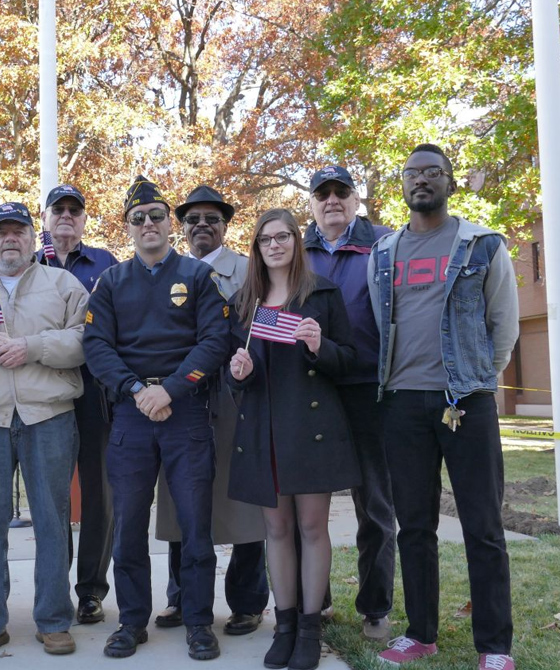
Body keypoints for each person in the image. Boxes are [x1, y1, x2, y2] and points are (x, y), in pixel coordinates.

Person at [368, 144, 518, 670]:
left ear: (451, 182)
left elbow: (504, 325)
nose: (422, 180)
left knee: (483, 526)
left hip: (466, 402)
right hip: (403, 405)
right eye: (413, 173)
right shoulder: (383, 254)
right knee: (413, 525)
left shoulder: (482, 244)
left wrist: (476, 378)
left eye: (434, 171)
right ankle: (420, 633)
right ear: (402, 184)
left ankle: (495, 646)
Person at [84, 176, 231, 661]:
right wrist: (135, 390)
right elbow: (96, 346)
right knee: (127, 525)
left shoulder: (198, 276)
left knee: (195, 526)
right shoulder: (111, 282)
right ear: (127, 228)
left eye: (156, 216)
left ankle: (197, 622)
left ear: (171, 223)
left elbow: (214, 342)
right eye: (137, 218)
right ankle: (130, 622)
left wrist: (168, 389)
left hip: (186, 411)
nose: (148, 224)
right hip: (129, 415)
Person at [0, 202, 89, 660]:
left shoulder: (64, 284)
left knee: (51, 521)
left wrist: (30, 347)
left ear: (33, 238)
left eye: (19, 231)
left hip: (47, 415)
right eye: (1, 232)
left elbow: (86, 341)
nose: (10, 239)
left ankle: (53, 621)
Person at [228, 208, 359, 670]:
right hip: (262, 427)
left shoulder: (321, 293)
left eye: (283, 237)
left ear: (296, 242)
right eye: (266, 240)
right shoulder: (246, 301)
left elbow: (350, 361)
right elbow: (236, 374)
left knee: (310, 528)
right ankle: (283, 626)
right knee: (276, 530)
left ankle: (308, 627)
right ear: (257, 248)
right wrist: (237, 374)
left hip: (311, 428)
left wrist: (321, 347)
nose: (276, 245)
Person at [154, 185, 268, 636]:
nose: (202, 225)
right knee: (182, 501)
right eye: (193, 219)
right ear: (181, 227)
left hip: (239, 395)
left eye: (212, 219)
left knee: (246, 501)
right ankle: (181, 598)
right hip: (182, 398)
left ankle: (247, 601)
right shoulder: (167, 270)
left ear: (226, 226)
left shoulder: (248, 270)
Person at [302, 165, 396, 641]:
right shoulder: (295, 251)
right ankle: (314, 602)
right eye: (323, 194)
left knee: (375, 505)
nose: (332, 200)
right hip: (312, 390)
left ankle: (375, 607)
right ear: (312, 203)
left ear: (356, 199)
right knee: (308, 506)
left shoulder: (386, 244)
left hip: (368, 391)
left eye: (341, 192)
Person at [37, 184, 118, 625]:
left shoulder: (105, 263)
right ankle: (54, 587)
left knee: (98, 495)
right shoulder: (30, 262)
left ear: (85, 219)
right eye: (58, 209)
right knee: (52, 497)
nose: (66, 216)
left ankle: (90, 590)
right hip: (44, 394)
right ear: (45, 218)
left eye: (75, 210)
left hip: (94, 394)